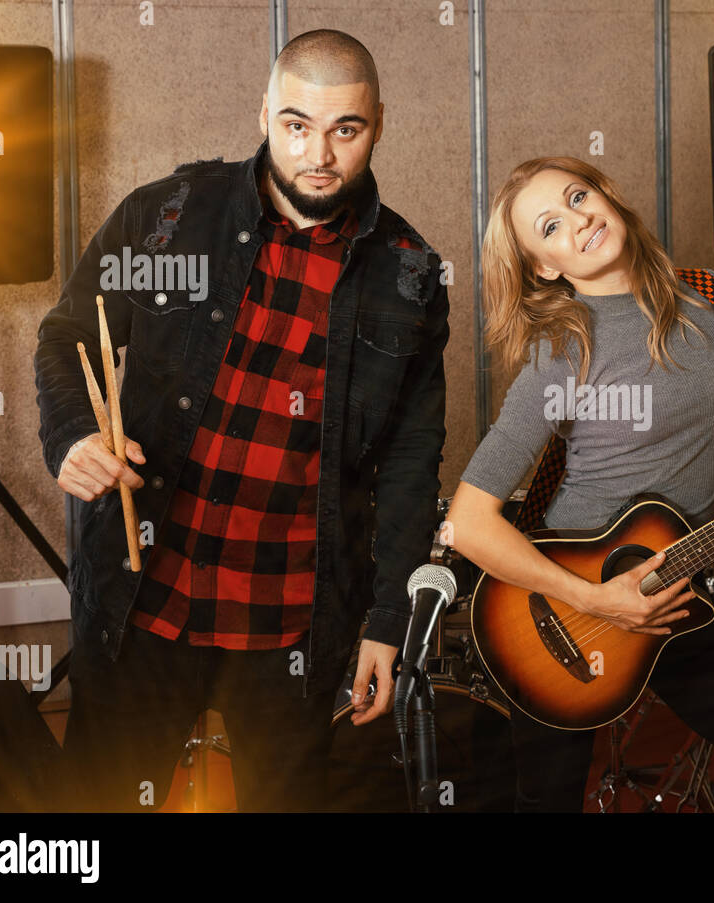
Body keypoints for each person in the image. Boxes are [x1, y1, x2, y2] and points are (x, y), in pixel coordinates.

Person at [33, 29, 448, 811]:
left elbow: (409, 461)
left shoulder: (410, 276)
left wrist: (389, 618)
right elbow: (67, 337)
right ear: (263, 112)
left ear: (379, 124)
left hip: (292, 615)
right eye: (296, 124)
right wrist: (74, 436)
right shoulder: (167, 213)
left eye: (344, 130)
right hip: (145, 595)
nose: (318, 153)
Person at [445, 155, 714, 812]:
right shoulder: (560, 349)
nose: (578, 220)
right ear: (544, 265)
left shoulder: (709, 296)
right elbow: (469, 520)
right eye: (551, 224)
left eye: (578, 195)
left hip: (676, 592)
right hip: (557, 615)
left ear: (605, 191)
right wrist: (596, 600)